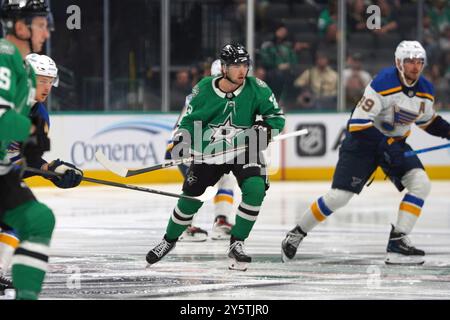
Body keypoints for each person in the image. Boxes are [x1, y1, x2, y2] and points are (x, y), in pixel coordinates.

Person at [281, 41, 450, 266]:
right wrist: (388, 145)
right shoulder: (383, 83)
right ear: (399, 63)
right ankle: (297, 233)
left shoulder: (426, 90)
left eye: (419, 61)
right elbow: (358, 125)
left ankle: (398, 240)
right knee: (339, 197)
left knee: (421, 183)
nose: (415, 66)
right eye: (410, 61)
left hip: (394, 144)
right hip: (362, 144)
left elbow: (428, 121)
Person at [147, 43, 285, 271]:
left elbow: (276, 119)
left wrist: (266, 130)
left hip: (244, 149)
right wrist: (183, 140)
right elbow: (188, 122)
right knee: (190, 198)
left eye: (245, 64)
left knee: (255, 189)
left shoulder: (258, 88)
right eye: (236, 65)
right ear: (223, 68)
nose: (242, 70)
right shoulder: (203, 90)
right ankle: (168, 240)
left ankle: (237, 242)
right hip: (209, 152)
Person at [0, 53, 83, 297]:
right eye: (41, 80)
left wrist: (56, 171)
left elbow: (31, 159)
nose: (46, 87)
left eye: (50, 81)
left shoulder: (40, 115)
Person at [0, 0, 61, 300]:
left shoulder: (24, 74)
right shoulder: (4, 55)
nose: (46, 30)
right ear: (21, 27)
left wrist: (55, 170)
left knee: (38, 219)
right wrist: (31, 131)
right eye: (40, 24)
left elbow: (29, 156)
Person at [167, 59, 237, 242]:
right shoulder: (200, 97)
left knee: (226, 178)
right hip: (187, 147)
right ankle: (184, 225)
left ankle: (221, 221)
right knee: (197, 183)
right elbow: (183, 128)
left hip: (209, 150)